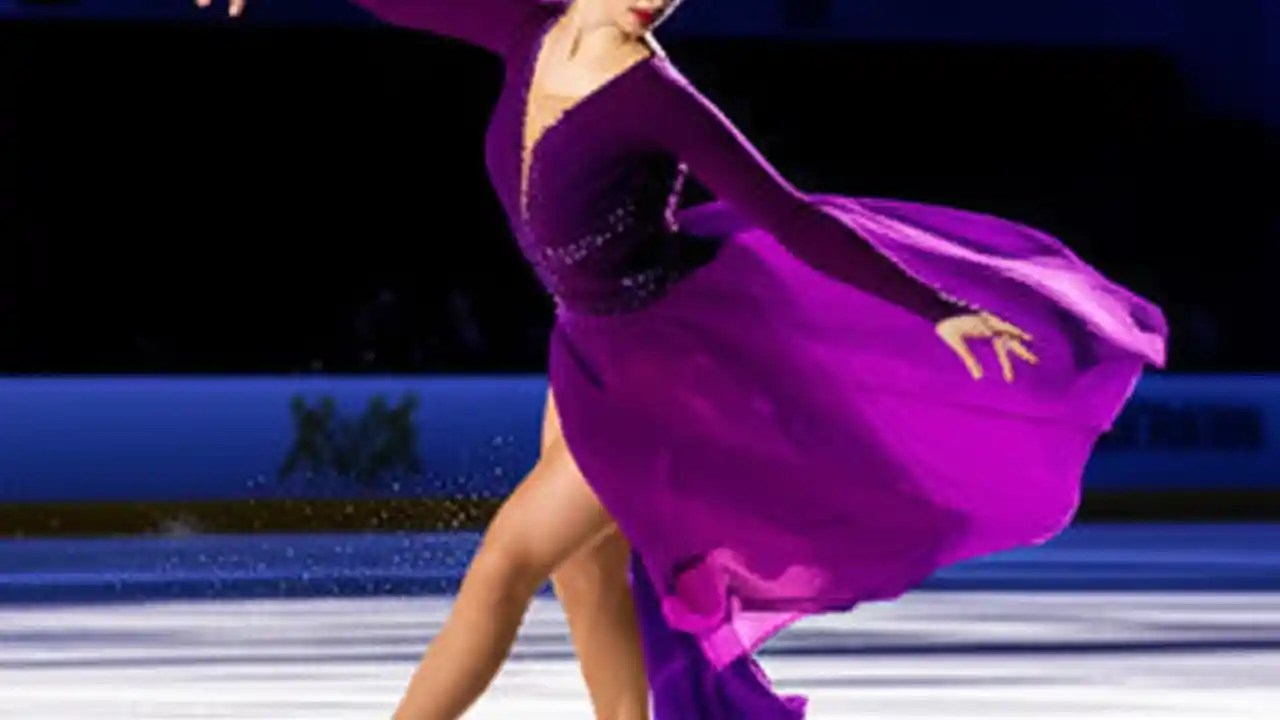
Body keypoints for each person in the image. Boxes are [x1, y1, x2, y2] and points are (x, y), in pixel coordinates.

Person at [197, 1, 1168, 718]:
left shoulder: (650, 92)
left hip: (656, 374)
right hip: (587, 345)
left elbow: (789, 216)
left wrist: (935, 308)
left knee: (504, 564)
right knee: (585, 571)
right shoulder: (531, 27)